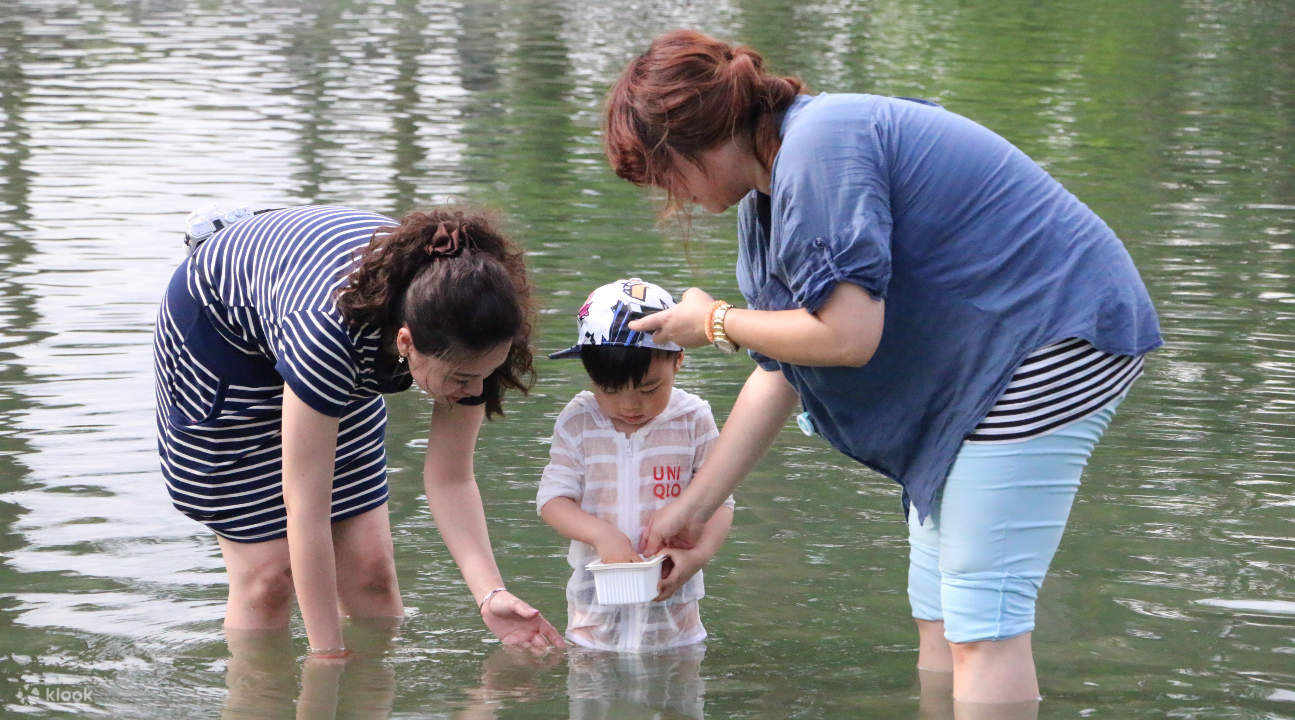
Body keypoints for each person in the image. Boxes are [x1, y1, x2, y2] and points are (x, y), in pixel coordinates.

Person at [602, 29, 1163, 707]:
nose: (669, 196)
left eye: (662, 173)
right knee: (938, 614)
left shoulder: (819, 147)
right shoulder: (767, 197)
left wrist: (714, 321)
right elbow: (782, 368)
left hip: (1050, 339)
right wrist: (691, 508)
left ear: (696, 137)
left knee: (983, 626)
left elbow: (846, 337)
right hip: (977, 373)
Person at [153, 204, 564, 660]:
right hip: (221, 343)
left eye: (484, 375)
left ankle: (371, 691)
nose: (476, 392)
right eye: (464, 379)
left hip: (338, 328)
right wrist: (326, 657)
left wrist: (490, 594)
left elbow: (451, 478)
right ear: (406, 343)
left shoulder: (479, 336)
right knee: (268, 579)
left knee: (372, 572)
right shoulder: (329, 340)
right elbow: (306, 510)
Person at [536, 278, 734, 652]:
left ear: (678, 360)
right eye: (609, 390)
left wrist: (696, 557)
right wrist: (601, 535)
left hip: (675, 626)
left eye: (648, 389)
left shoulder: (692, 419)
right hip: (593, 624)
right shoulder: (579, 420)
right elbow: (552, 501)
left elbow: (721, 502)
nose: (629, 406)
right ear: (590, 375)